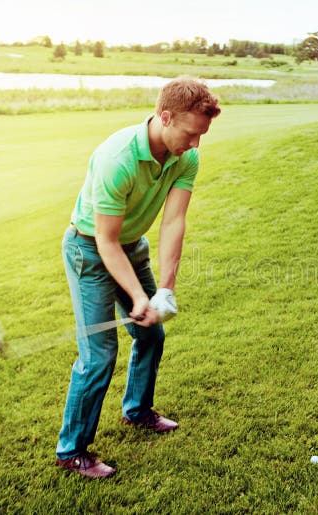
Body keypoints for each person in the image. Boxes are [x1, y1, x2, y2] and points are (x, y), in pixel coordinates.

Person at [55, 77, 221, 479]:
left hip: (131, 245)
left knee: (150, 334)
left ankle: (138, 410)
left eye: (202, 135)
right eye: (191, 133)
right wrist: (136, 295)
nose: (196, 144)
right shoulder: (118, 158)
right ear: (165, 117)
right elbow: (105, 241)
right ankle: (72, 449)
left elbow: (173, 221)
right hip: (89, 250)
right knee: (99, 355)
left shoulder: (186, 157)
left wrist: (165, 288)